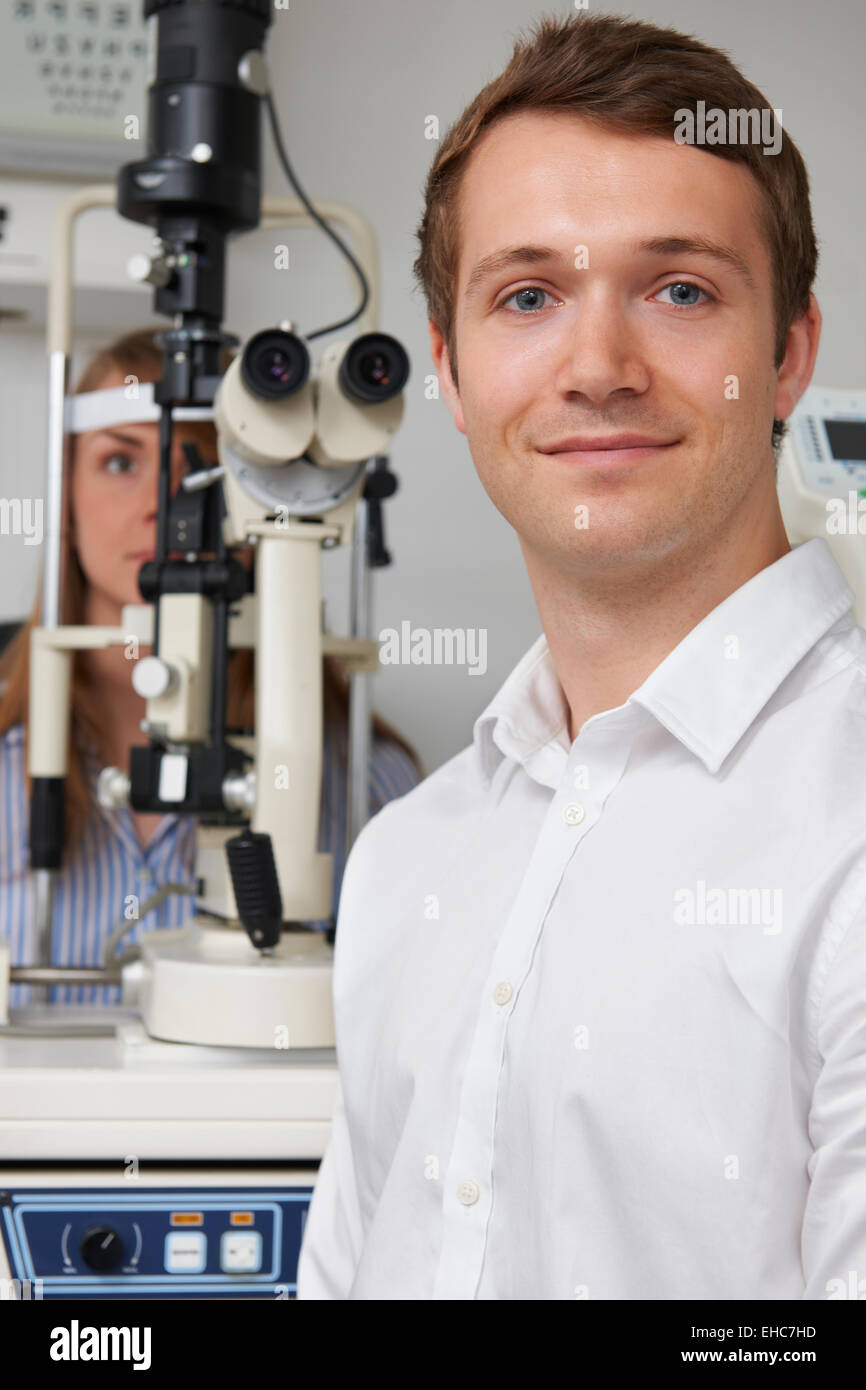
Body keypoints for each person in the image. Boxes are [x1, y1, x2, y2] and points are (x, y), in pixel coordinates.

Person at [297, 10, 866, 1301]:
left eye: (677, 290)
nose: (596, 366)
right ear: (446, 366)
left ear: (786, 354)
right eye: (527, 296)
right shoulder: (411, 856)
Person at [0, 326, 422, 1007]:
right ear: (66, 503)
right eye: (119, 462)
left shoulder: (364, 781)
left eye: (199, 461)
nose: (164, 503)